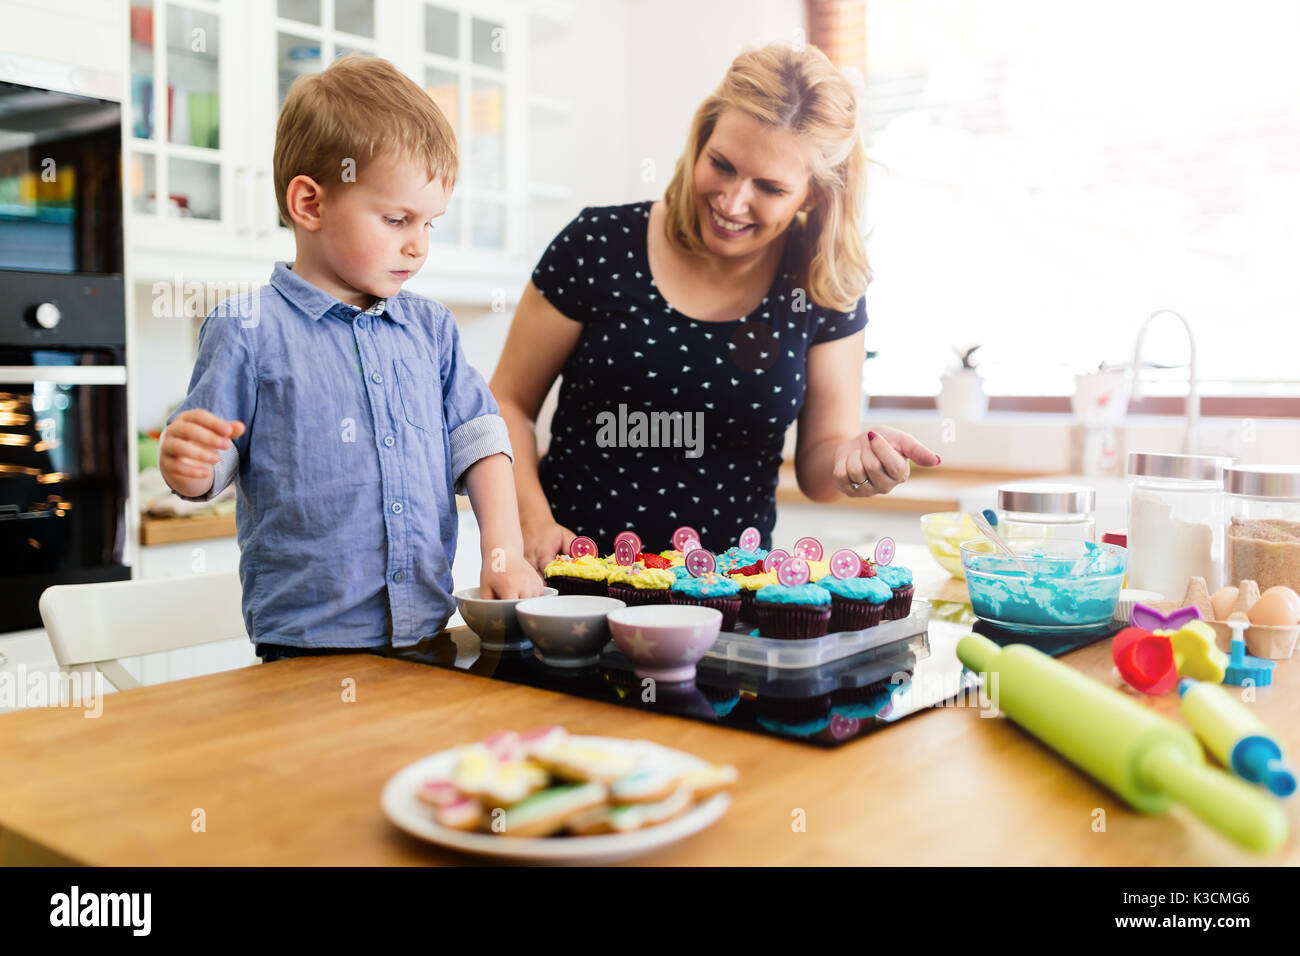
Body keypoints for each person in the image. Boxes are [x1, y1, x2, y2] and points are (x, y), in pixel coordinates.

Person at [491, 43, 940, 571]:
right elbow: (507, 404)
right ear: (701, 140)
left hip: (731, 600)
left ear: (814, 195)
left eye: (770, 187)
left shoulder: (823, 284)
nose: (731, 202)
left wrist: (855, 459)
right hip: (571, 585)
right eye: (722, 165)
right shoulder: (599, 243)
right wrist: (532, 522)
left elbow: (821, 473)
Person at [158, 56, 542, 662]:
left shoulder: (430, 328)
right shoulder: (246, 329)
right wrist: (186, 465)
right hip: (304, 649)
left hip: (426, 635)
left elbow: (480, 438)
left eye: (429, 224)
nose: (417, 244)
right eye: (397, 219)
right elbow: (207, 468)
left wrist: (505, 548)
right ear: (310, 204)